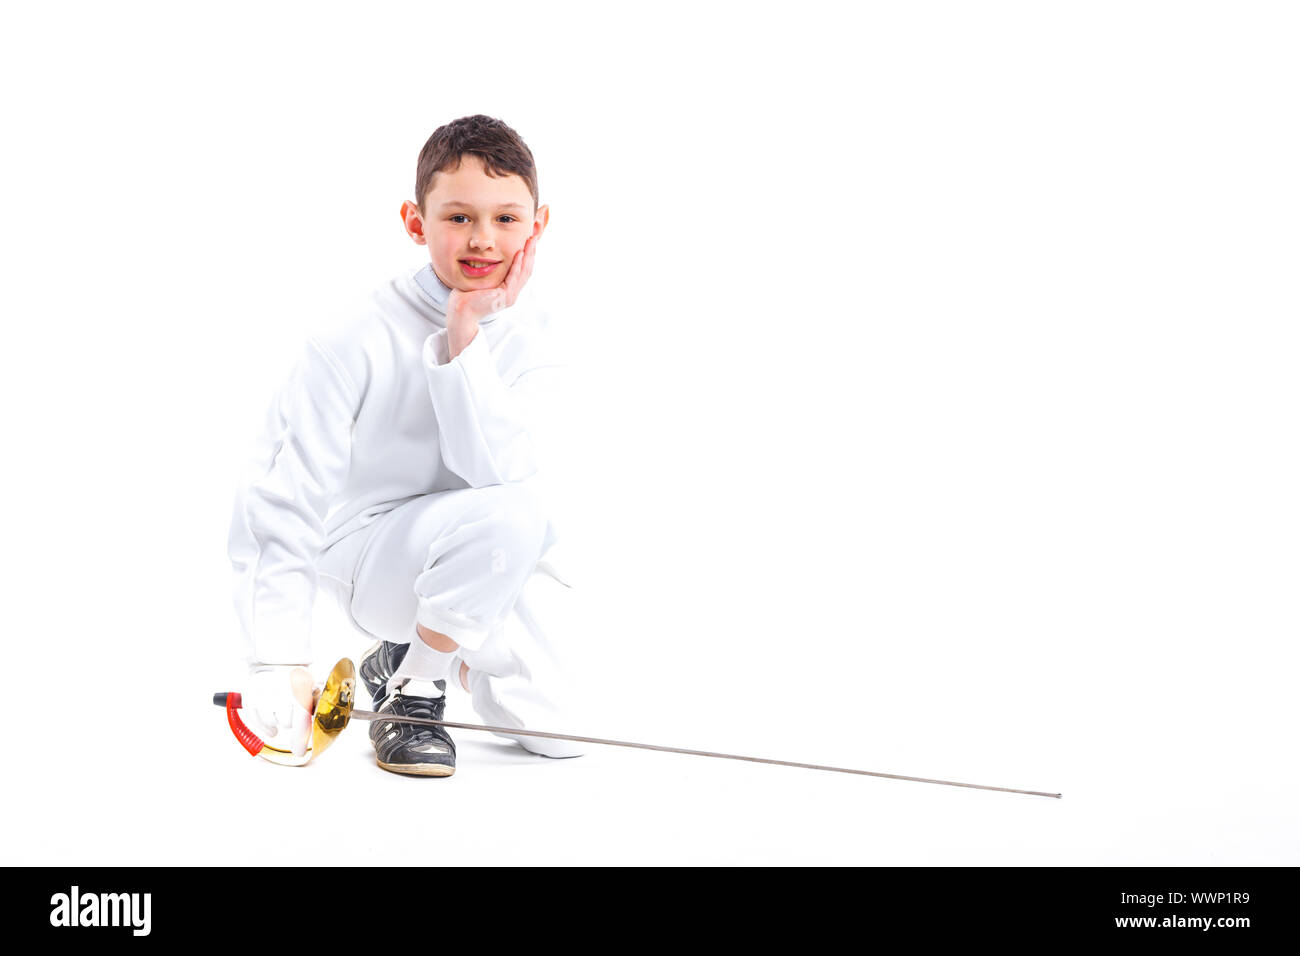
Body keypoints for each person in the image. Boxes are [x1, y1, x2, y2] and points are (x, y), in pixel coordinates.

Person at [226, 114, 584, 776]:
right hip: (370, 555)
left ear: (539, 224)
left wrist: (464, 333)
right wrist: (277, 661)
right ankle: (416, 688)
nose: (483, 240)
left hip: (487, 545)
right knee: (513, 517)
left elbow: (497, 471)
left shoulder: (544, 334)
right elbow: (284, 504)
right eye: (458, 218)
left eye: (507, 219)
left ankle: (414, 654)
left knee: (563, 732)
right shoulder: (351, 333)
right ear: (415, 222)